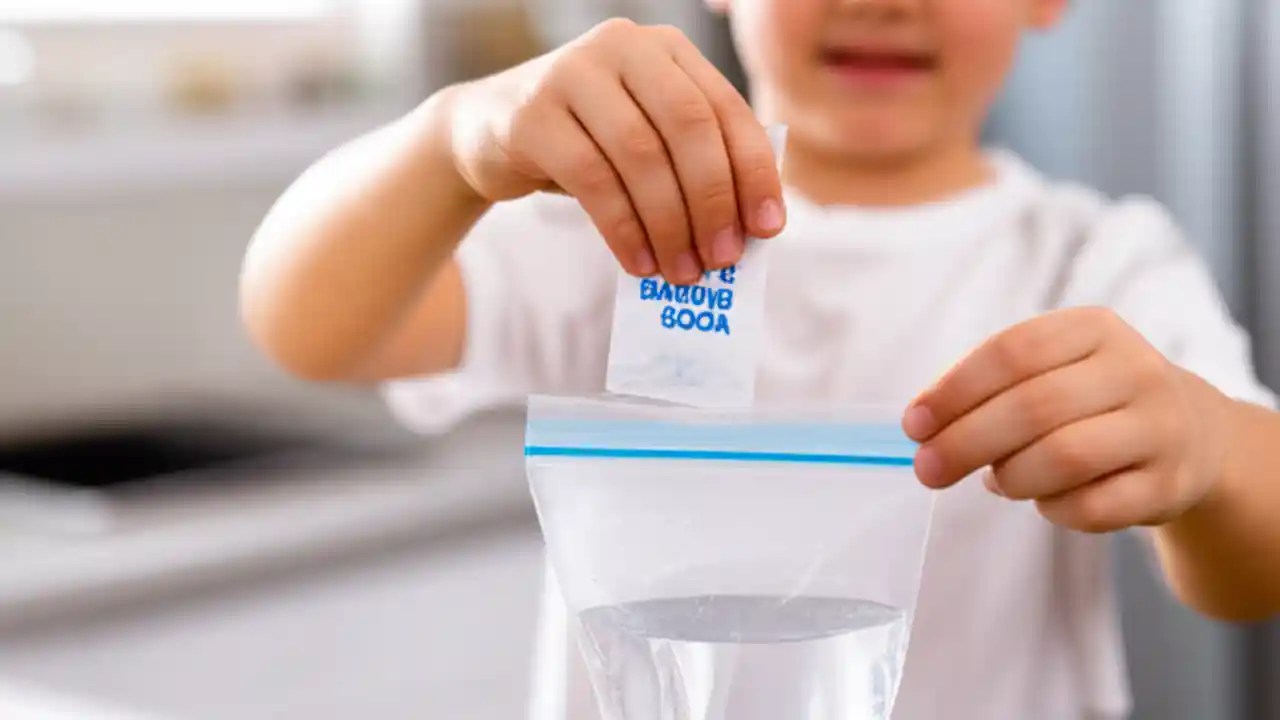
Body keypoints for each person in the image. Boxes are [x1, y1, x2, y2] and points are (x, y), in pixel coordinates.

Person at [239, 0, 1280, 717]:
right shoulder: (621, 227)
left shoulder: (1098, 260)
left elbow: (1252, 572)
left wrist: (1206, 448)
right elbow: (310, 325)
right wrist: (452, 140)